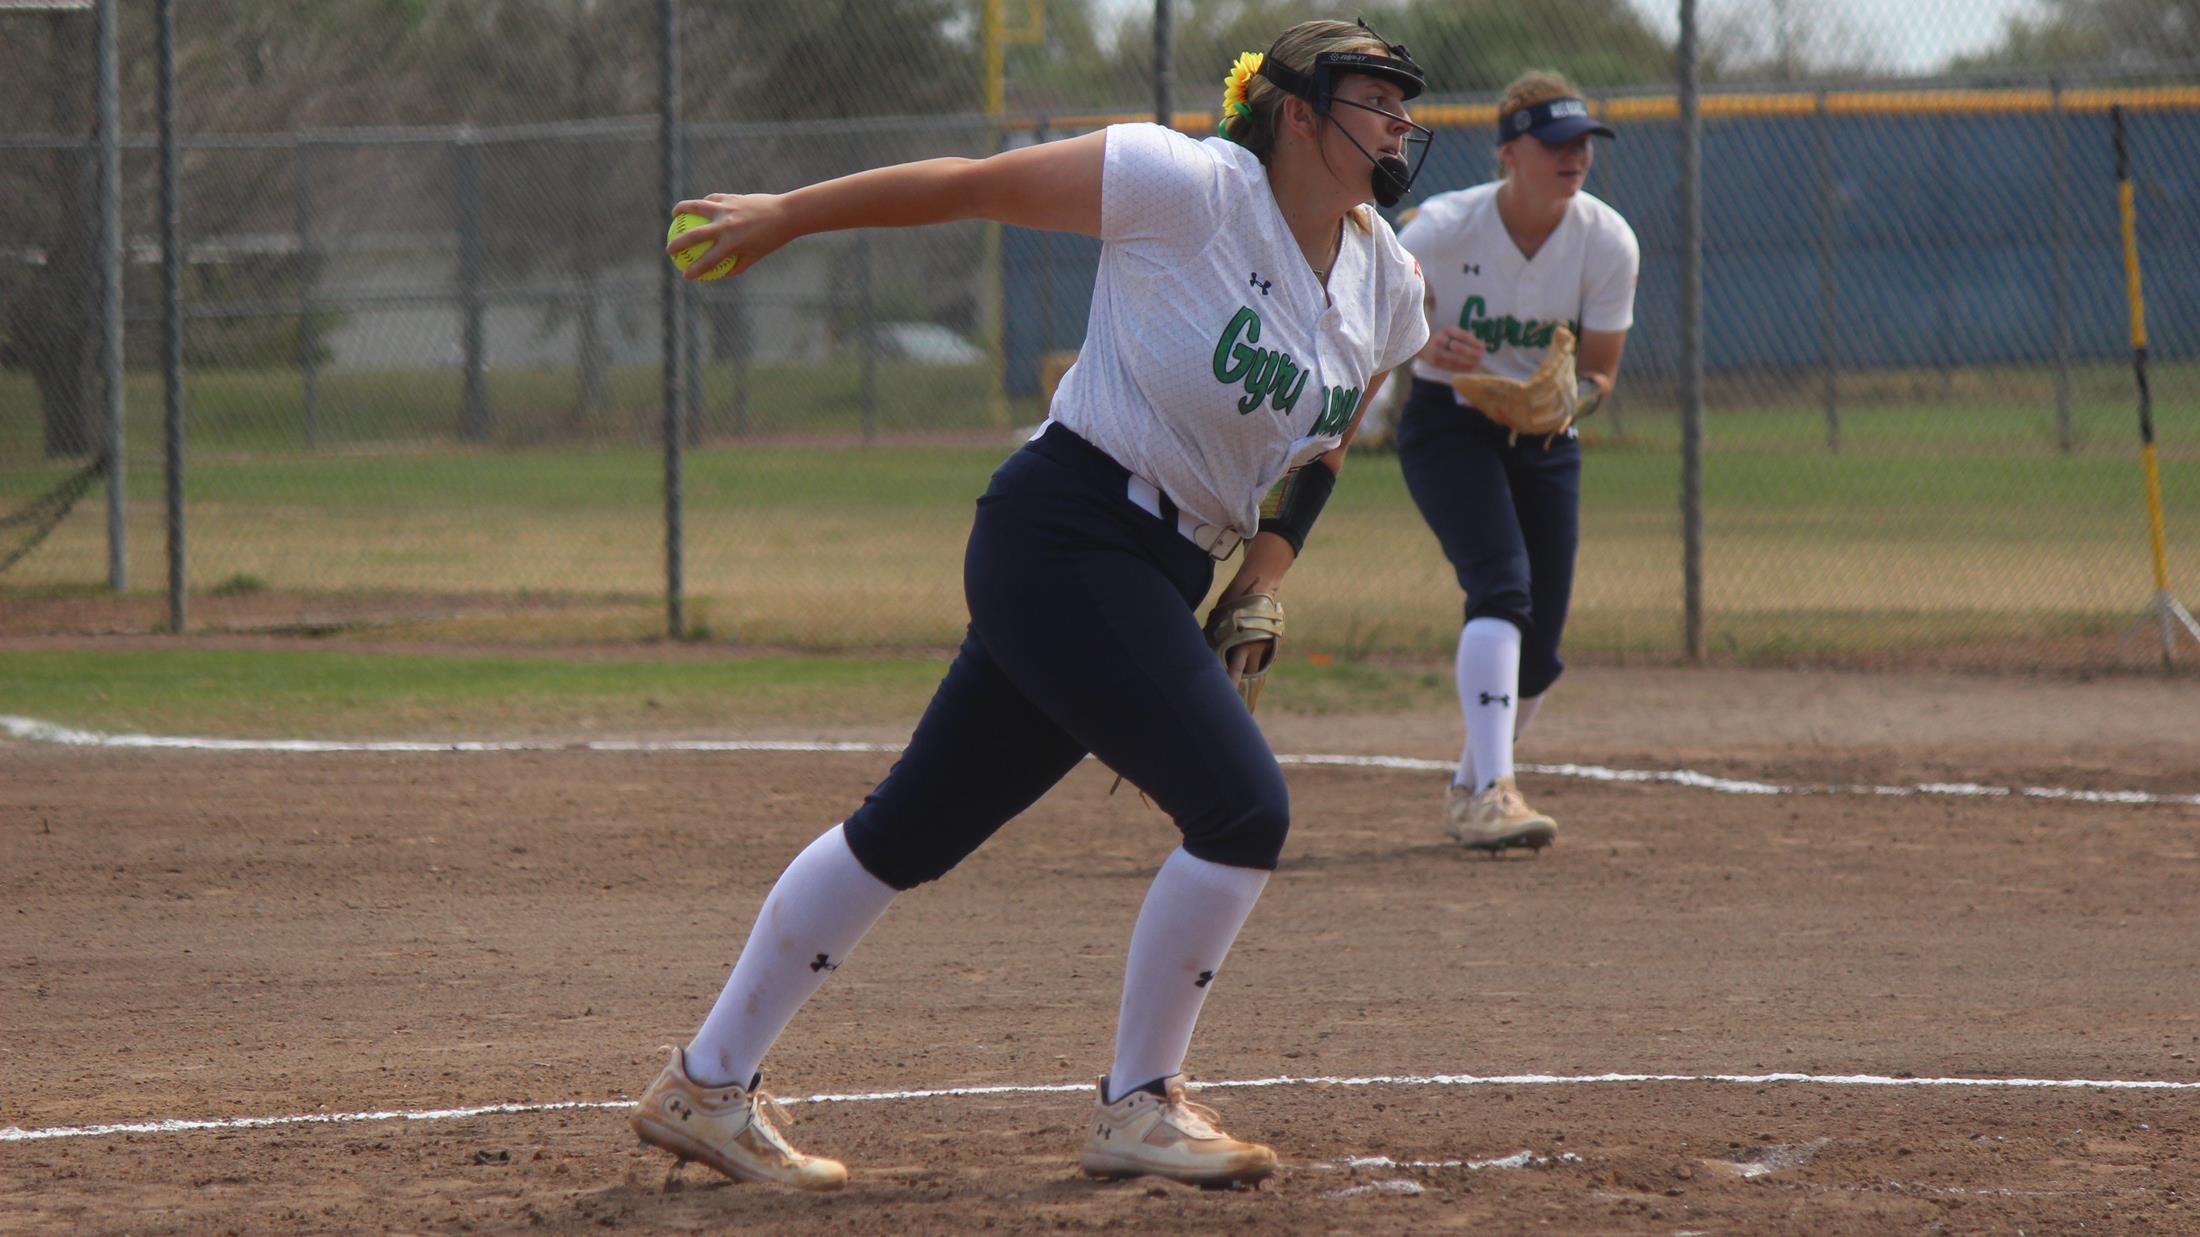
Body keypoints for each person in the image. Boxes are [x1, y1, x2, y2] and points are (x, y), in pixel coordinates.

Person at [631, 19, 1433, 1191]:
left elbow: (1325, 446)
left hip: (1158, 570)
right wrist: (786, 215)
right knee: (1241, 810)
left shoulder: (1385, 279)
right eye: (1371, 99)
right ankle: (1140, 1105)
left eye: (1404, 104)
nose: (1398, 123)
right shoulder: (1188, 186)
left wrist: (1260, 580)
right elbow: (966, 188)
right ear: (1297, 114)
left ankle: (705, 1083)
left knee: (905, 833)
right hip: (1063, 531)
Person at [1394, 71, 1639, 856]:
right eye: (1555, 142)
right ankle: (1494, 791)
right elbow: (1363, 313)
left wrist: (1568, 401)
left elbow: (1601, 373)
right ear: (1510, 153)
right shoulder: (1440, 229)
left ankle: (1472, 787)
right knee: (1500, 583)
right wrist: (1422, 340)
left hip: (1542, 436)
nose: (1575, 156)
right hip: (1449, 422)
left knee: (1541, 649)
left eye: (1584, 143)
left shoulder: (1607, 240)